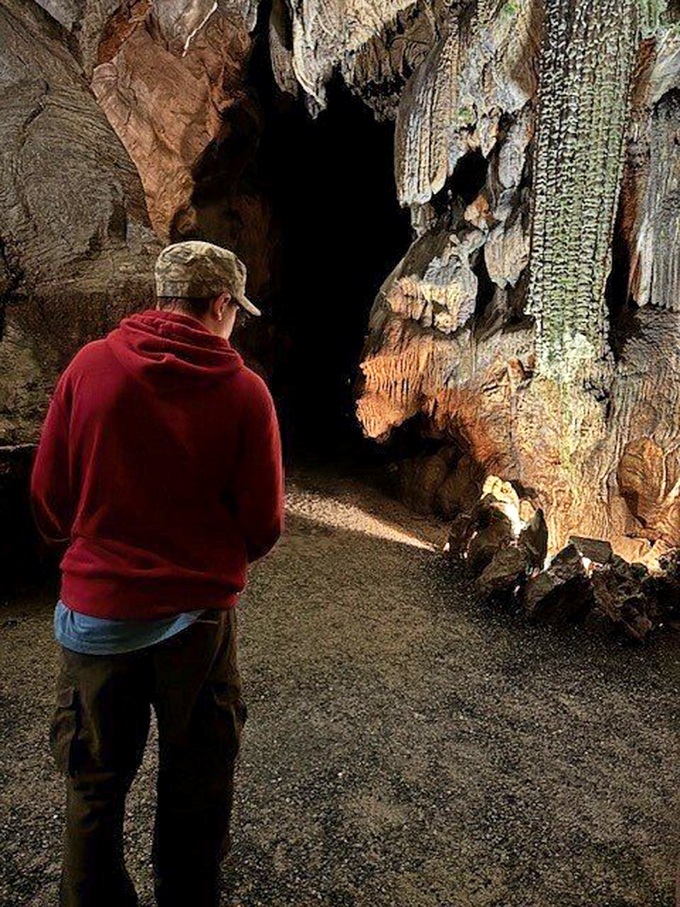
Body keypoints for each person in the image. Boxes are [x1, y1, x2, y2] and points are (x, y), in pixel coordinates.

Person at [30, 241, 284, 907]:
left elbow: (48, 496)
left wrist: (95, 556)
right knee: (197, 785)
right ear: (222, 304)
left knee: (94, 786)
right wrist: (206, 561)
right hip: (197, 624)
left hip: (96, 620)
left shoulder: (89, 368)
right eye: (236, 311)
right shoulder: (246, 393)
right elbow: (264, 524)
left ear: (163, 296)